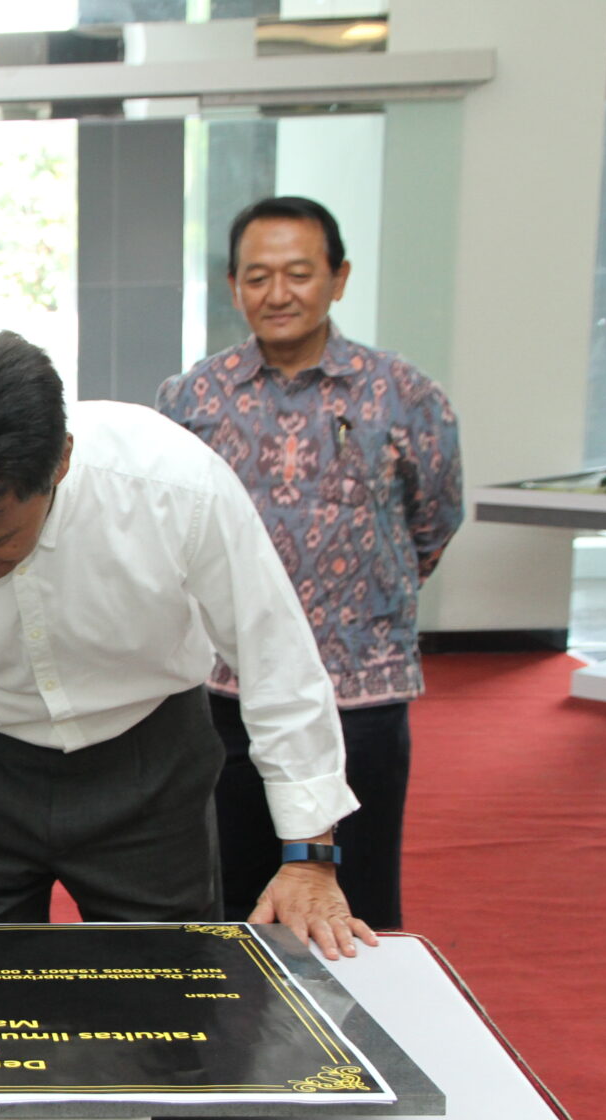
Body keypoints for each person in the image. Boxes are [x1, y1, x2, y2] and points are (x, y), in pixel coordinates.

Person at [0, 330, 377, 960]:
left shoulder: (170, 481)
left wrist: (310, 858)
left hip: (151, 763)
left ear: (59, 460)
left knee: (168, 1003)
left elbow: (275, 661)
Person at [156, 196, 462, 931]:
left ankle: (353, 1043)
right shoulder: (191, 399)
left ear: (339, 277)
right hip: (225, 693)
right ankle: (231, 1042)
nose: (278, 293)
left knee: (353, 900)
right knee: (228, 897)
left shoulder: (403, 393)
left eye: (299, 273)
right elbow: (163, 530)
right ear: (234, 285)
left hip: (361, 692)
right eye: (258, 276)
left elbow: (435, 518)